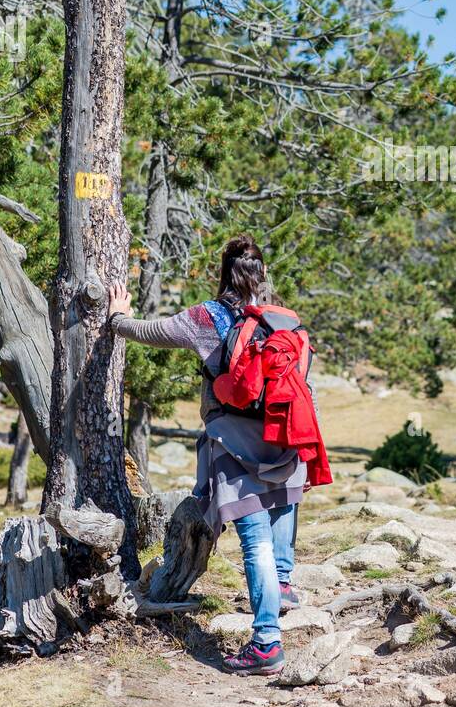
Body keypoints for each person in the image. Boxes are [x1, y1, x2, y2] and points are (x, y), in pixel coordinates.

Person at [108, 235, 319, 675]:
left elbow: (151, 331)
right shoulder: (286, 320)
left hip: (232, 440)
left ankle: (266, 644)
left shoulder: (208, 316)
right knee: (281, 512)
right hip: (286, 434)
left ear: (225, 273)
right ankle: (280, 589)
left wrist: (117, 317)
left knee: (254, 539)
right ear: (263, 273)